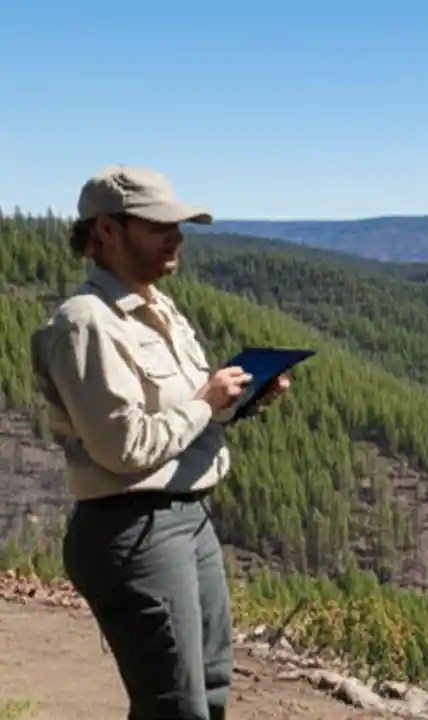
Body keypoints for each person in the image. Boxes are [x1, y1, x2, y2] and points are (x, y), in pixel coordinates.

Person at [28, 165, 290, 720]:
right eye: (159, 226)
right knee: (175, 706)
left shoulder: (158, 308)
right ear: (106, 231)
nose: (177, 238)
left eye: (179, 225)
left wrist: (243, 399)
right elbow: (123, 449)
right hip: (134, 529)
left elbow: (184, 416)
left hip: (187, 519)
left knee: (212, 685)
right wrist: (206, 401)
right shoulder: (85, 324)